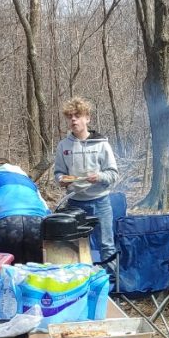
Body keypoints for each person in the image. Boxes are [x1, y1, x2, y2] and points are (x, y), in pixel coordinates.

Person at [53, 96, 120, 262]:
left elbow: (113, 174)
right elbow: (59, 172)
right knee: (77, 246)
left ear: (87, 118)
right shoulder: (63, 146)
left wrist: (99, 177)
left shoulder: (101, 144)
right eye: (70, 117)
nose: (73, 119)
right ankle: (84, 282)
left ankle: (110, 284)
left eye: (77, 115)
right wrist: (61, 179)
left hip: (100, 202)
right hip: (74, 203)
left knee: (106, 245)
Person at [0, 158, 50, 263]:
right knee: (35, 267)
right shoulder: (28, 181)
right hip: (37, 222)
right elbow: (46, 209)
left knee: (4, 269)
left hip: (3, 223)